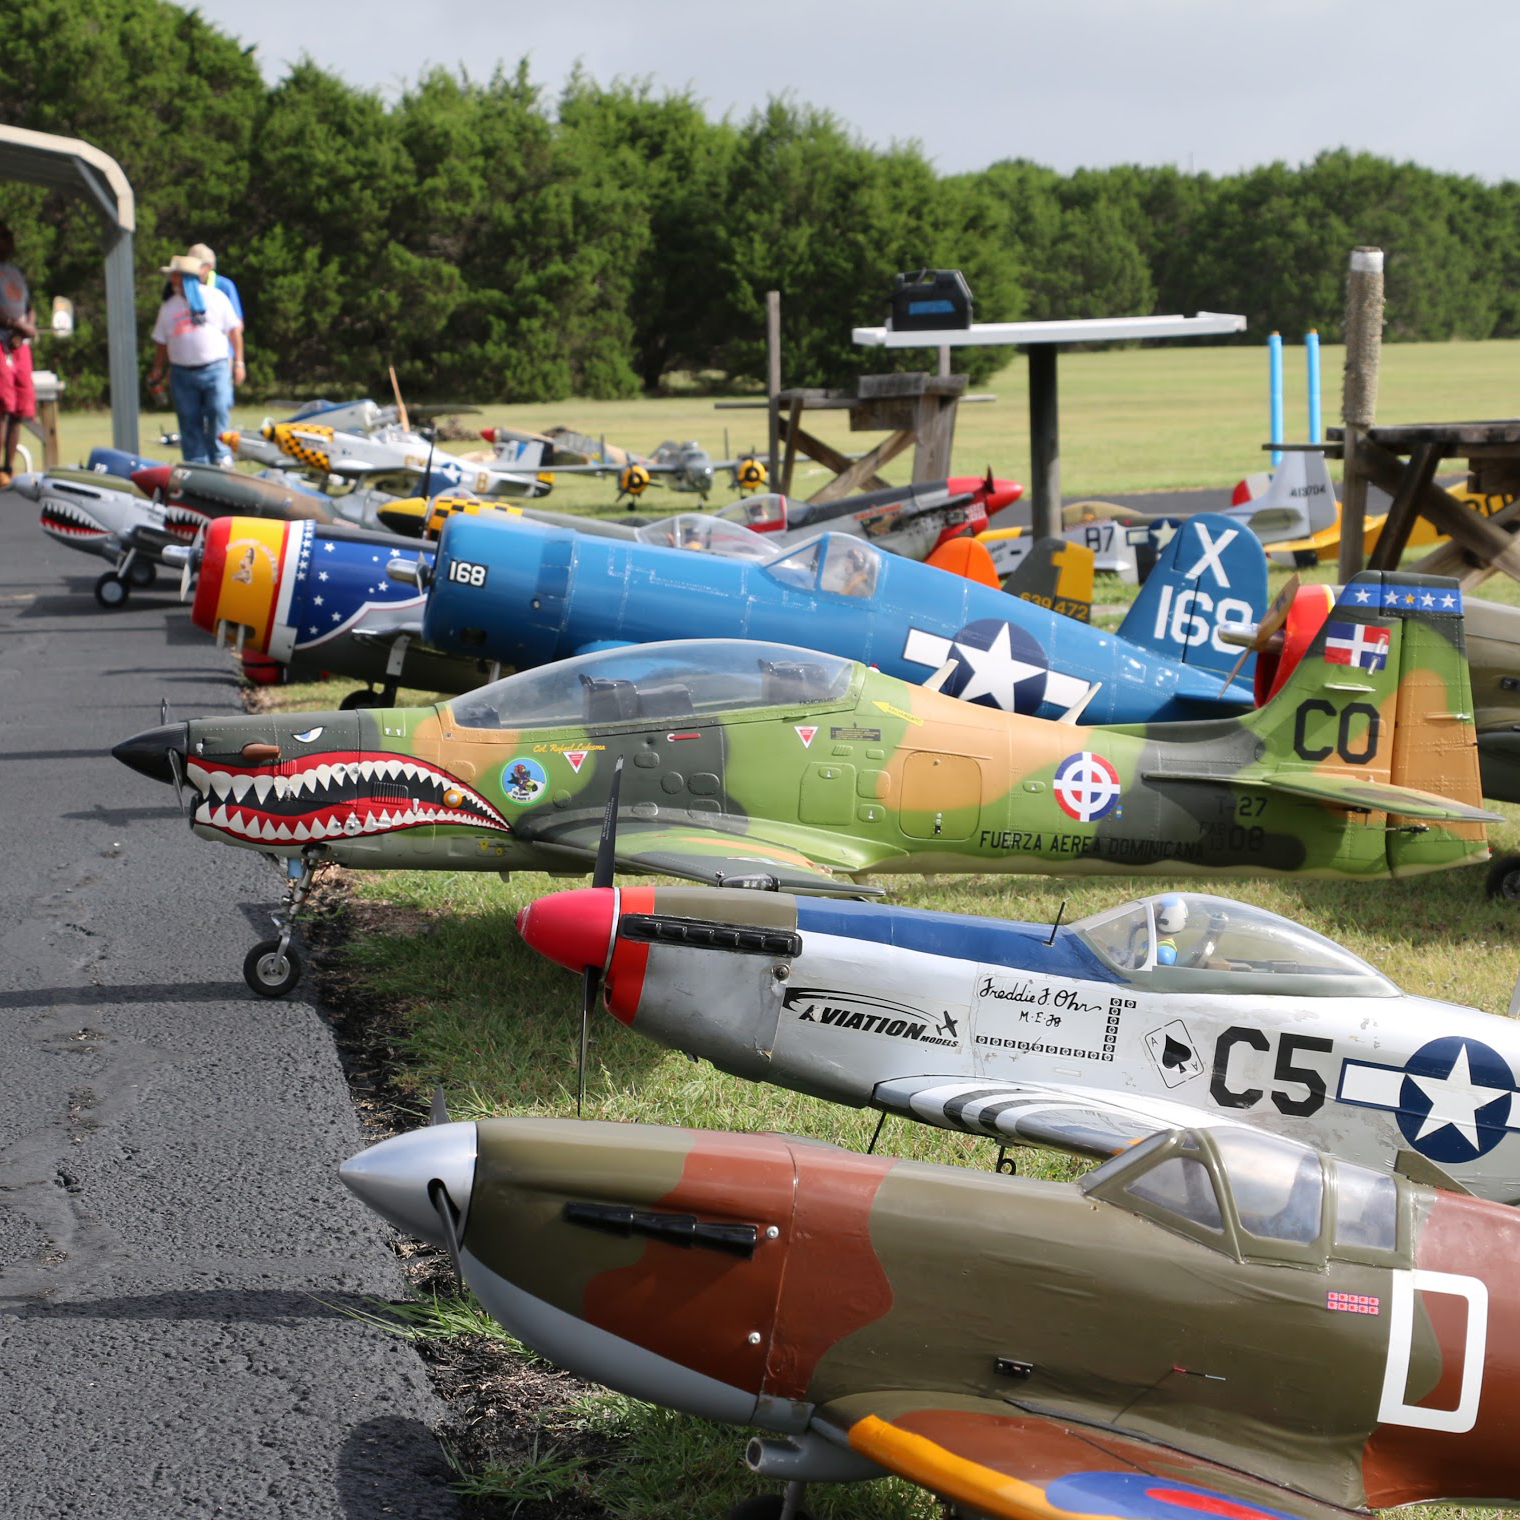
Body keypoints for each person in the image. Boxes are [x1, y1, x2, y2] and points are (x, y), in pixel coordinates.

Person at [147, 252, 245, 465]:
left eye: (176, 276)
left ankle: (220, 456)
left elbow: (234, 331)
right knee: (189, 419)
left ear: (188, 278)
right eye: (172, 276)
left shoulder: (215, 297)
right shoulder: (169, 306)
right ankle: (196, 463)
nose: (172, 280)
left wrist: (239, 362)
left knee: (218, 411)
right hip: (182, 373)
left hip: (215, 369)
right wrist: (158, 369)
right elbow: (162, 342)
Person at [0, 224, 37, 487]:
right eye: (5, 237)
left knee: (20, 410)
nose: (11, 241)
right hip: (2, 343)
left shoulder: (14, 272)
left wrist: (26, 329)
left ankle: (8, 468)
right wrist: (15, 326)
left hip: (19, 345)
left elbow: (28, 307)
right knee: (2, 406)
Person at [187, 242, 242, 323]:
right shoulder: (185, 286)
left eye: (197, 265)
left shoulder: (225, 286)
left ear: (209, 267)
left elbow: (238, 322)